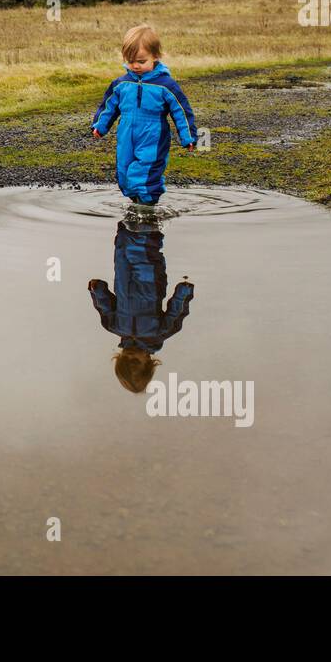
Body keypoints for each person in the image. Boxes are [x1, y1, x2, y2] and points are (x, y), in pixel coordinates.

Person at [91, 23, 197, 212]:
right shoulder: (121, 84)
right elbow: (109, 106)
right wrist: (100, 126)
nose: (135, 66)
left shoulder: (165, 85)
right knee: (124, 174)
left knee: (145, 172)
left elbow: (181, 111)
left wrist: (188, 136)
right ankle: (137, 205)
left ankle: (148, 210)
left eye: (141, 61)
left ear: (155, 56)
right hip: (126, 134)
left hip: (153, 136)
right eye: (130, 61)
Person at [88, 221, 194, 393]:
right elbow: (177, 311)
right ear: (148, 361)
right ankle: (149, 213)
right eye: (136, 362)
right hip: (150, 280)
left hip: (123, 278)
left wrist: (97, 290)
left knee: (123, 245)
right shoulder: (160, 332)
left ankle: (129, 218)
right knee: (145, 247)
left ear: (119, 360)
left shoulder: (113, 326)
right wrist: (184, 291)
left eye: (125, 362)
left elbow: (104, 306)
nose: (130, 358)